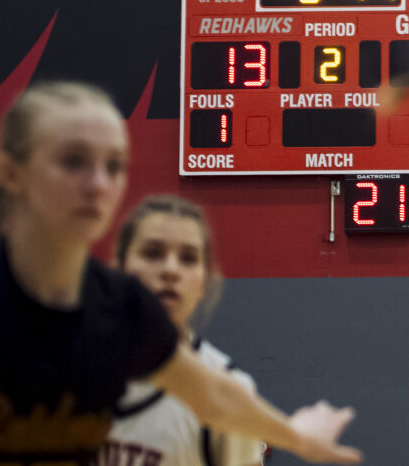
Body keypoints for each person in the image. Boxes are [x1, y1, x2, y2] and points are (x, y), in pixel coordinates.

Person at [0, 81, 361, 466]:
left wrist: (300, 438)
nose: (99, 184)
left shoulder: (120, 308)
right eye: (74, 161)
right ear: (11, 173)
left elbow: (214, 397)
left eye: (114, 166)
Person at [100, 195, 264, 466]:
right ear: (119, 269)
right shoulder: (66, 368)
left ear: (203, 282)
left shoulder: (229, 389)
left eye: (188, 258)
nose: (170, 270)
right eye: (152, 253)